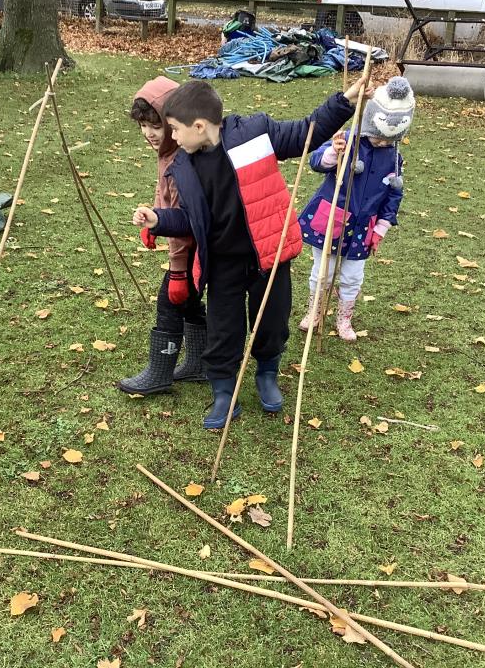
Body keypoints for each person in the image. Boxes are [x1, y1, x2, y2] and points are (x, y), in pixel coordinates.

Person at [131, 78, 367, 429]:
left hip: (268, 257)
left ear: (199, 126)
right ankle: (224, 391)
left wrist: (343, 102)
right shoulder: (182, 166)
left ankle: (267, 374)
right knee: (223, 329)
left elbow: (305, 132)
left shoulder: (254, 132)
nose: (173, 138)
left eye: (176, 130)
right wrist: (159, 219)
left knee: (271, 322)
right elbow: (190, 220)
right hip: (222, 261)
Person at [297, 76, 413, 341]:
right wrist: (333, 154)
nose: (382, 143)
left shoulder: (394, 159)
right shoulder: (346, 140)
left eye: (388, 140)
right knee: (322, 271)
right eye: (378, 137)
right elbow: (316, 160)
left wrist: (380, 229)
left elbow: (394, 197)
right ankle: (315, 310)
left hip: (363, 229)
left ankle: (344, 317)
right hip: (332, 220)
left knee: (352, 275)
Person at [118, 76, 207, 395]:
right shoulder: (170, 151)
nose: (149, 133)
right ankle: (199, 363)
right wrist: (155, 220)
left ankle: (159, 372)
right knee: (190, 300)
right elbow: (164, 192)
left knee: (171, 300)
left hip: (195, 247)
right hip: (192, 242)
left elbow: (186, 223)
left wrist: (179, 271)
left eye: (155, 125)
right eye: (143, 126)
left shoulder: (182, 161)